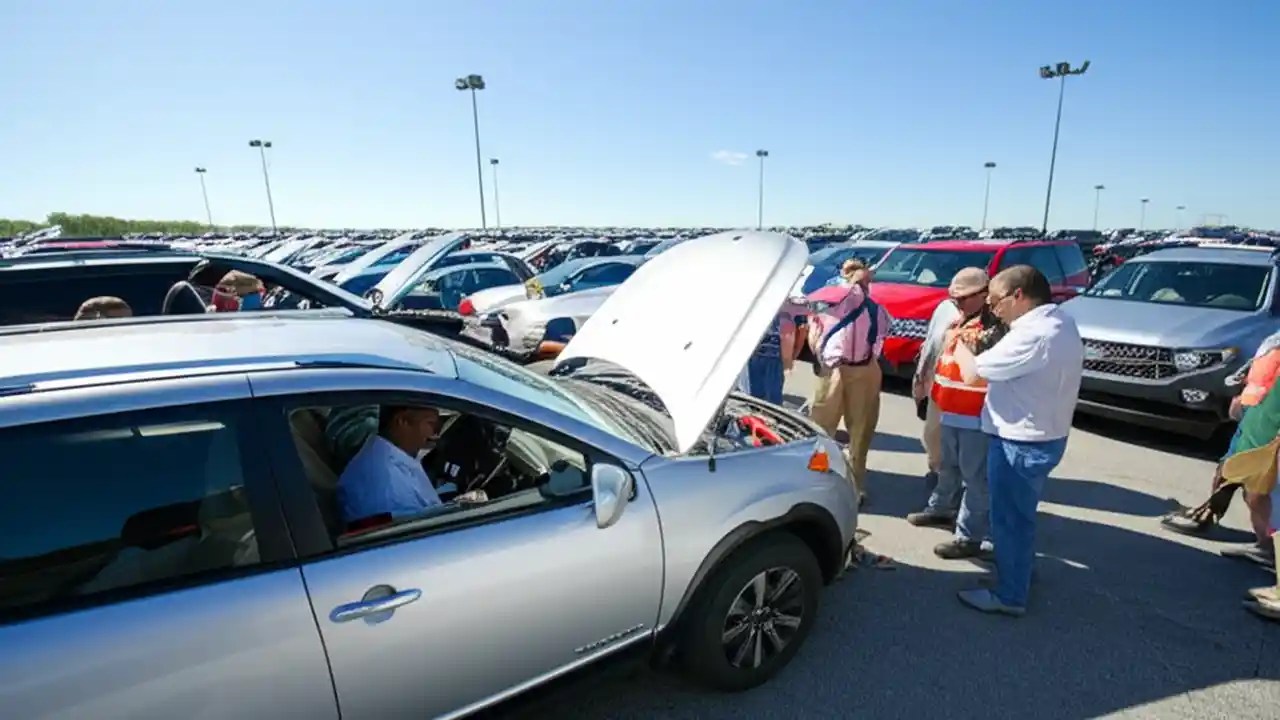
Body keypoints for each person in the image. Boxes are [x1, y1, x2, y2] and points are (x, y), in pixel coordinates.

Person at [951, 265, 1083, 616]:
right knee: (1018, 517)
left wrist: (962, 345)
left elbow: (973, 373)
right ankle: (1018, 573)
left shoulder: (1033, 334)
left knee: (1009, 520)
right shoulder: (1059, 322)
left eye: (995, 301)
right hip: (1040, 434)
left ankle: (1010, 595)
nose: (993, 309)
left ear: (1018, 296)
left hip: (1021, 441)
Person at [907, 269, 1003, 560]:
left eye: (963, 298)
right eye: (955, 298)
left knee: (975, 478)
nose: (957, 304)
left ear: (983, 294)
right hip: (950, 408)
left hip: (975, 414)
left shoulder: (994, 325)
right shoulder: (960, 317)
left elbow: (980, 356)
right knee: (947, 465)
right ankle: (941, 508)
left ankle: (969, 536)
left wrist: (959, 336)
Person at [1163, 334, 1280, 545]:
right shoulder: (1275, 339)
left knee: (1255, 485)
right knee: (1228, 469)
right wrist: (1243, 394)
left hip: (1269, 420)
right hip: (1255, 409)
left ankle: (1268, 545)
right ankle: (1208, 513)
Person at [808, 276, 892, 505]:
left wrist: (821, 356)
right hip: (856, 367)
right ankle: (848, 486)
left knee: (830, 429)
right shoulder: (873, 309)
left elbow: (814, 334)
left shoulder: (830, 306)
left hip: (841, 368)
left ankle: (825, 483)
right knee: (845, 430)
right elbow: (880, 340)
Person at [913, 286, 962, 491]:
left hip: (966, 392)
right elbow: (930, 344)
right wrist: (921, 378)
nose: (958, 300)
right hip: (938, 384)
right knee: (932, 434)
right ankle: (936, 473)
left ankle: (949, 494)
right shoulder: (945, 308)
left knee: (960, 444)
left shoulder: (987, 322)